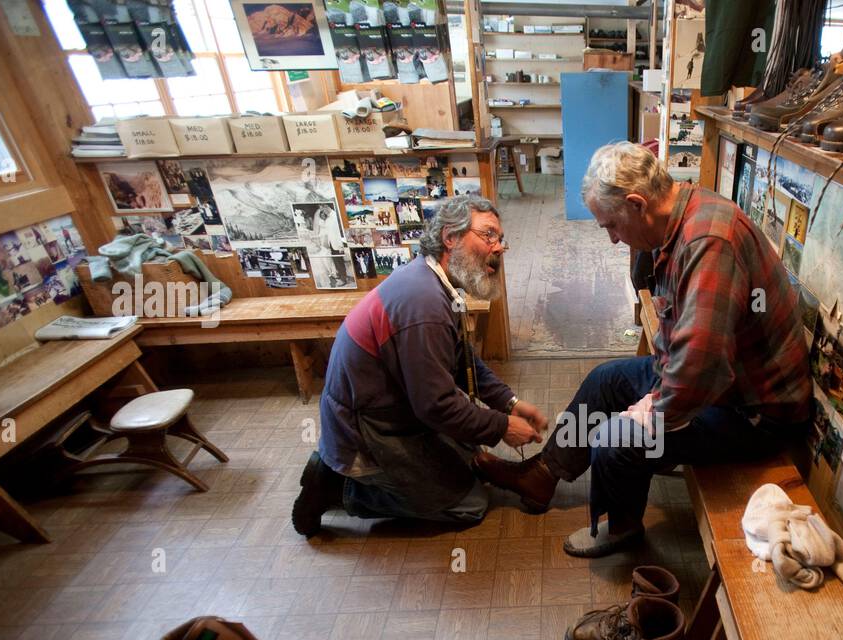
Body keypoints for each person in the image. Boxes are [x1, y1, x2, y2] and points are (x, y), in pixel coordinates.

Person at [474, 141, 810, 558]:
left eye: (611, 226)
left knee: (617, 440)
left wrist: (653, 411)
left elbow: (701, 369)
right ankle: (544, 474)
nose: (614, 239)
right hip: (721, 384)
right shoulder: (679, 219)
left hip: (755, 412)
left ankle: (623, 528)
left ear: (637, 203)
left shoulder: (709, 241)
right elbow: (684, 341)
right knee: (606, 381)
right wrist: (656, 392)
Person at [291, 195, 547, 535]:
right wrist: (503, 426)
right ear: (450, 238)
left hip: (393, 408)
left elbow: (462, 359)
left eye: (500, 239)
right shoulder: (424, 302)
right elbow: (436, 405)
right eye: (488, 235)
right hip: (365, 427)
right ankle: (340, 489)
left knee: (470, 454)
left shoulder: (433, 281)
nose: (499, 248)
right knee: (470, 505)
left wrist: (509, 402)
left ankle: (363, 478)